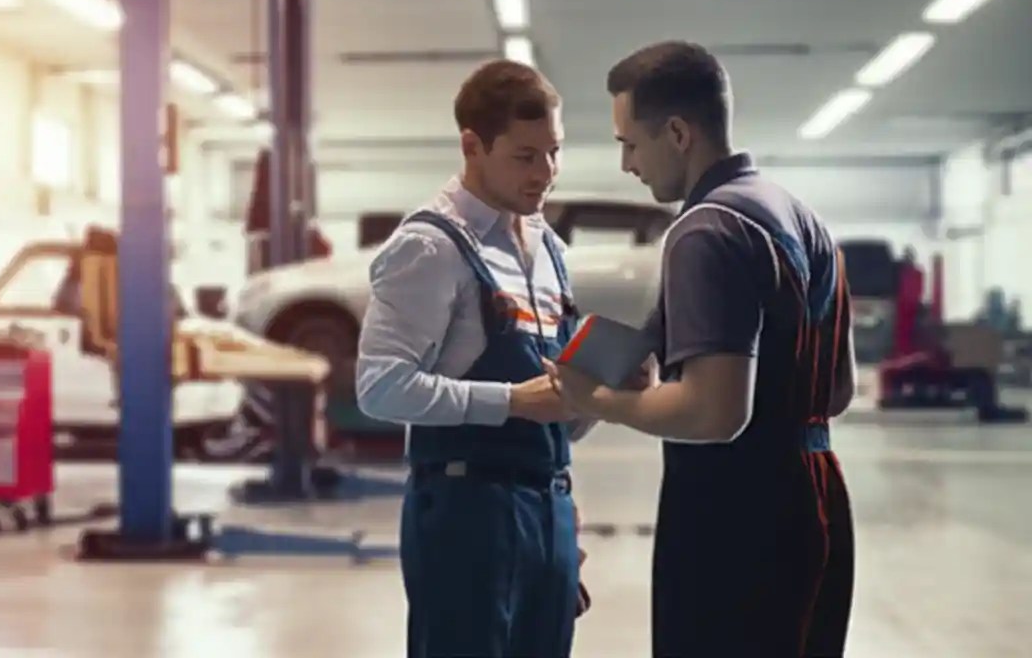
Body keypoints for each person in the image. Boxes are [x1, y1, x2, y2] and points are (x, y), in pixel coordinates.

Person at [542, 41, 857, 657]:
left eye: (630, 144)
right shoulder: (803, 218)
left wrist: (598, 399)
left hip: (736, 516)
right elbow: (836, 391)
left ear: (678, 134)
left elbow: (715, 413)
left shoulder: (705, 230)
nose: (627, 164)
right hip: (818, 502)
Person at [355, 59, 588, 658]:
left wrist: (600, 395)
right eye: (525, 156)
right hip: (467, 515)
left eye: (554, 152)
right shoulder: (430, 247)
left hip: (549, 506)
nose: (546, 173)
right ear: (472, 146)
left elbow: (557, 416)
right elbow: (380, 386)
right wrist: (511, 401)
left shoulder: (549, 248)